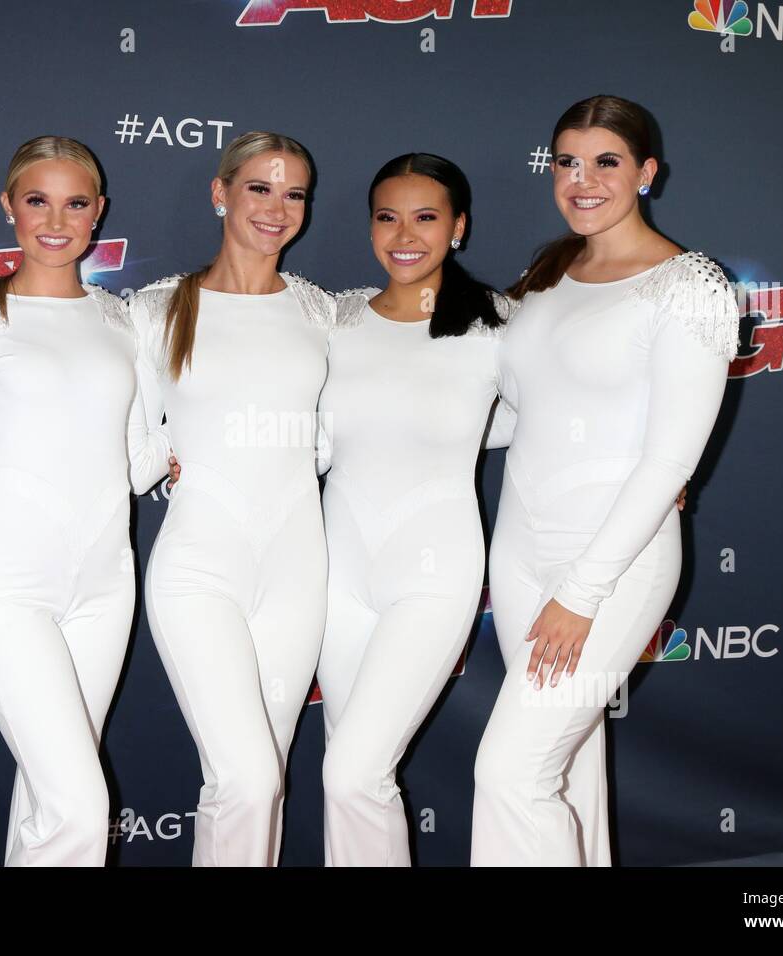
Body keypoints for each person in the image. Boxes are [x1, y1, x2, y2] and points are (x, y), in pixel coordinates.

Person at [470, 94, 739, 866]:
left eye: (607, 162)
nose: (583, 180)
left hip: (610, 569)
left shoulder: (688, 285)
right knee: (567, 769)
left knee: (511, 773)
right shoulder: (549, 271)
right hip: (521, 553)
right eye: (567, 162)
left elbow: (668, 461)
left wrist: (582, 593)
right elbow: (526, 416)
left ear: (647, 173)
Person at [0, 136, 170, 865]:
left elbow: (138, 465)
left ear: (98, 213)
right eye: (37, 200)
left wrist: (228, 436)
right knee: (79, 804)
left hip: (106, 583)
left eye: (76, 203)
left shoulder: (120, 321)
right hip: (9, 578)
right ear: (9, 206)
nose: (57, 219)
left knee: (48, 799)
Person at [129, 131, 336, 866]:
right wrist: (175, 454)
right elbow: (128, 456)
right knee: (246, 778)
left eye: (294, 193)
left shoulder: (321, 314)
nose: (277, 207)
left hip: (296, 570)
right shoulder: (155, 310)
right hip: (198, 567)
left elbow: (357, 432)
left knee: (256, 785)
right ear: (221, 193)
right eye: (259, 187)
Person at [315, 153, 511, 866]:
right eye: (387, 216)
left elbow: (555, 413)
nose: (404, 234)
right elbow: (302, 439)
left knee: (351, 772)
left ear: (458, 227)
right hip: (338, 570)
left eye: (426, 217)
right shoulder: (334, 322)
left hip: (434, 568)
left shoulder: (499, 326)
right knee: (351, 770)